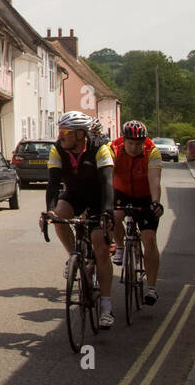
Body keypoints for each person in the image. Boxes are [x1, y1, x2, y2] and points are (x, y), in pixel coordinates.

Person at [43, 110, 118, 327]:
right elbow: (53, 184)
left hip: (98, 198)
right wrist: (49, 210)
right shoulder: (57, 149)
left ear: (80, 135)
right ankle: (74, 256)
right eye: (59, 130)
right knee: (59, 217)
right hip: (74, 194)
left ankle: (106, 307)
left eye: (65, 131)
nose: (60, 135)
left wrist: (107, 212)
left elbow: (107, 184)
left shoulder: (99, 148)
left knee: (101, 248)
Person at [109, 120, 165, 306]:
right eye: (130, 143)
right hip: (121, 192)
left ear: (144, 142)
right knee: (114, 217)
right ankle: (120, 247)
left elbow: (155, 180)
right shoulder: (113, 149)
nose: (134, 147)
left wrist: (155, 202)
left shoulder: (152, 152)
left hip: (145, 195)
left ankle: (152, 288)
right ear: (123, 140)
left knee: (149, 239)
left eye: (138, 144)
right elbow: (106, 177)